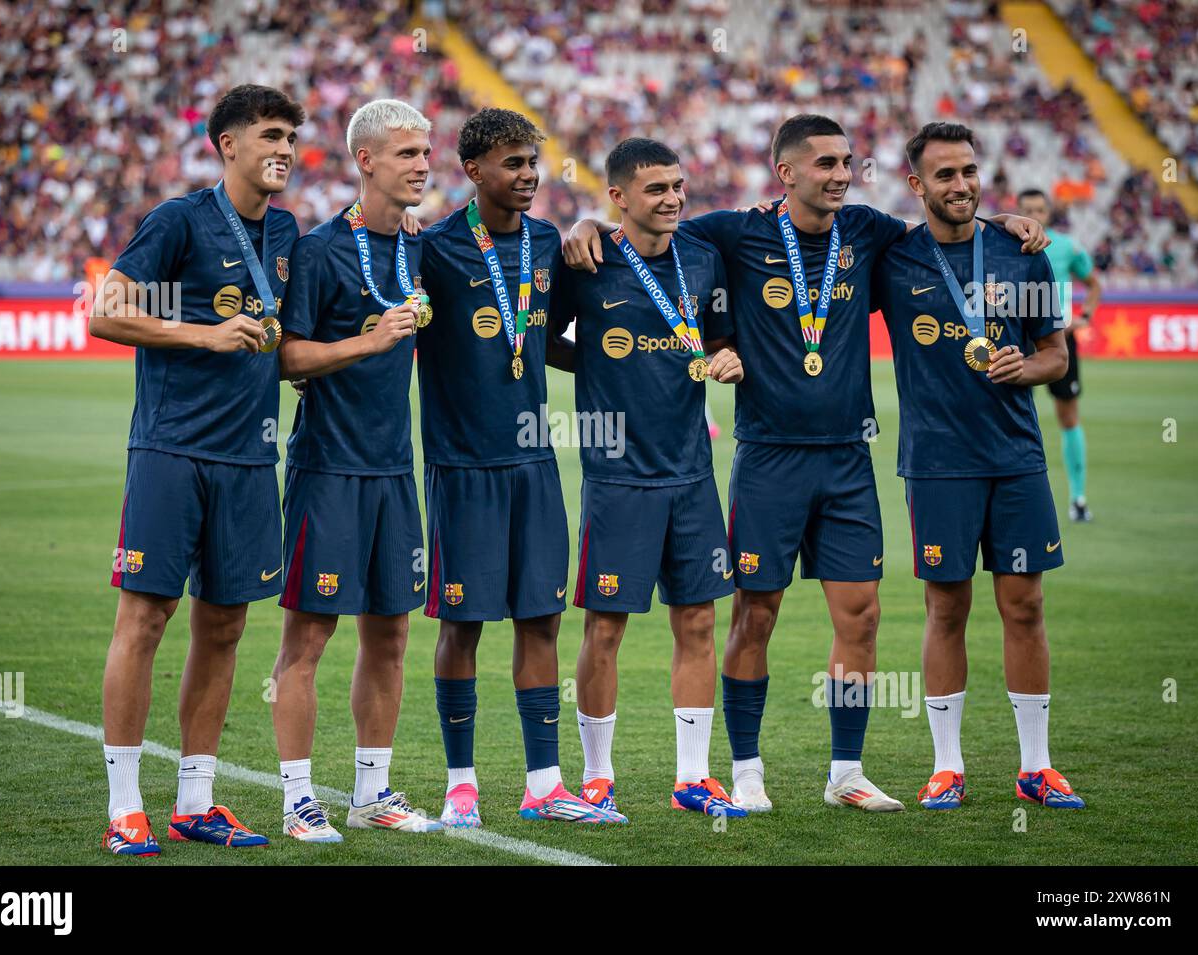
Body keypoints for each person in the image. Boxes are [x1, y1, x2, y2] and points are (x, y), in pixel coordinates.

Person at [562, 114, 1048, 813]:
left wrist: (1002, 220)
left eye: (847, 162)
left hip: (849, 457)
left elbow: (947, 229)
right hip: (766, 457)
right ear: (786, 173)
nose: (842, 175)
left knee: (863, 615)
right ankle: (749, 769)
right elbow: (644, 229)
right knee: (753, 617)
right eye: (825, 164)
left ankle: (845, 770)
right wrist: (584, 221)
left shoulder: (872, 232)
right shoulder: (730, 233)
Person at [89, 85, 305, 855]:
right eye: (271, 135)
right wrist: (203, 335)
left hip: (251, 458)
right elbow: (104, 311)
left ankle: (196, 801)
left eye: (292, 138)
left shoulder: (286, 231)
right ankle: (124, 806)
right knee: (145, 619)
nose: (285, 149)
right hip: (171, 451)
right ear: (228, 145)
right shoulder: (178, 221)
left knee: (225, 627)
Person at [416, 108, 624, 826]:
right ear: (474, 170)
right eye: (513, 163)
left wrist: (593, 223)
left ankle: (545, 785)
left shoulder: (545, 242)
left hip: (534, 462)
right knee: (463, 625)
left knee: (541, 619)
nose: (530, 175)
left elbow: (549, 336)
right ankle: (461, 783)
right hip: (462, 463)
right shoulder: (435, 249)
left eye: (533, 163)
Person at [875, 122, 1085, 811]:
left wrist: (1028, 366)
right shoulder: (895, 258)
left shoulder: (1020, 253)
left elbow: (1056, 352)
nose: (961, 185)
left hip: (1016, 457)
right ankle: (947, 766)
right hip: (936, 462)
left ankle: (1036, 765)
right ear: (916, 185)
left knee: (1024, 605)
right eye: (944, 175)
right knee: (947, 608)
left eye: (969, 171)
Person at [551, 137, 746, 819]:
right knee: (604, 629)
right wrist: (602, 365)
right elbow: (543, 336)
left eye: (678, 186)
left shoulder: (702, 257)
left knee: (697, 621)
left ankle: (692, 775)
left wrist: (725, 358)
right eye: (656, 188)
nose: (672, 198)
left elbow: (717, 335)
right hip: (618, 475)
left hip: (692, 471)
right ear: (618, 198)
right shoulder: (585, 258)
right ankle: (597, 775)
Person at [271, 99, 441, 842]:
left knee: (391, 634)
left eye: (426, 153)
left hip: (394, 472)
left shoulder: (419, 246)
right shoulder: (316, 252)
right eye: (407, 154)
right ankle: (297, 797)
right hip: (327, 468)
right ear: (366, 161)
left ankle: (372, 790)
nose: (423, 166)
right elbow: (288, 357)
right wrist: (365, 345)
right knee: (307, 640)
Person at [1017, 189, 1101, 522]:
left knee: (1068, 417)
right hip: (1017, 341)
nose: (1035, 215)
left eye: (1040, 209)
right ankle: (1021, 500)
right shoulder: (1004, 243)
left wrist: (1086, 317)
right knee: (1015, 418)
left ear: (1049, 213)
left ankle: (1078, 499)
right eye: (1028, 209)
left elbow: (1093, 283)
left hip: (1059, 342)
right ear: (1018, 211)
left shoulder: (1066, 246)